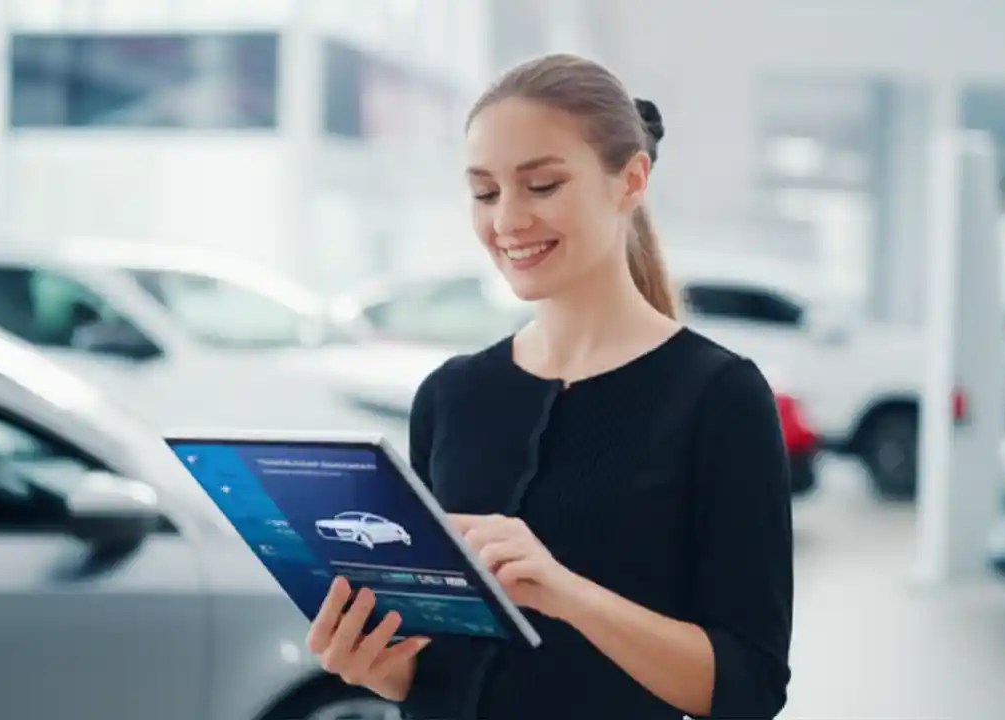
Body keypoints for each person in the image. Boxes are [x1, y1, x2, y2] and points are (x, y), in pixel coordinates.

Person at [305, 53, 793, 720]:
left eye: (541, 186)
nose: (507, 220)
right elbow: (440, 661)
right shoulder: (450, 396)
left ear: (631, 180)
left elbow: (750, 687)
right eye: (485, 193)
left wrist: (566, 593)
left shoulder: (719, 398)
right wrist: (387, 670)